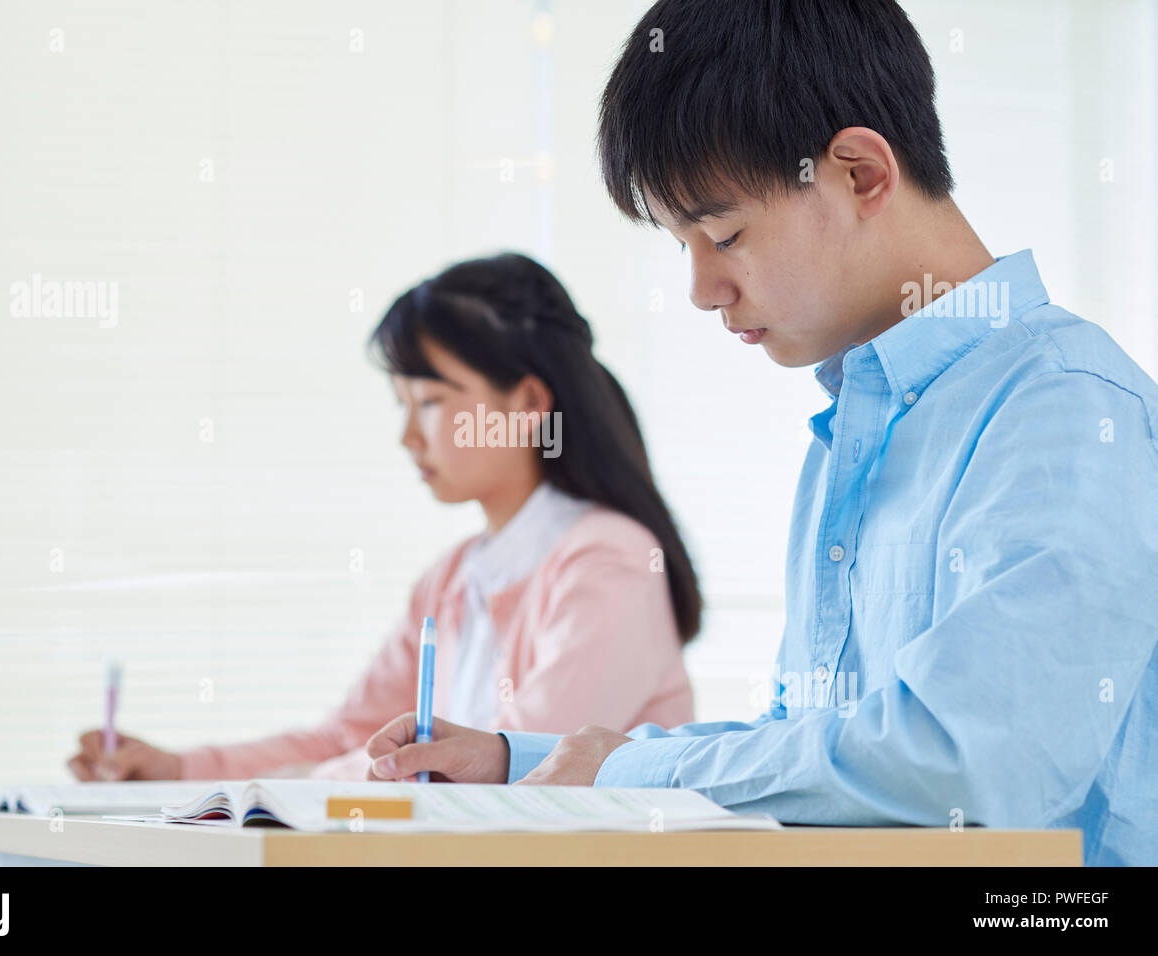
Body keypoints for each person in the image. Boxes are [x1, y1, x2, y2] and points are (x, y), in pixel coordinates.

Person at [365, 0, 1158, 867]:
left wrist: (635, 769)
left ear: (859, 174)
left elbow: (968, 765)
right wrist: (539, 764)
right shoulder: (854, 431)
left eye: (724, 235)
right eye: (683, 249)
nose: (704, 290)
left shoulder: (1066, 407)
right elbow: (815, 749)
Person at [68, 252, 703, 782]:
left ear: (529, 403)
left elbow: (516, 762)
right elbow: (345, 738)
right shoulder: (453, 578)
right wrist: (182, 771)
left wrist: (302, 789)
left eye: (429, 400)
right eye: (401, 403)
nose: (408, 436)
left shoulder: (609, 558)